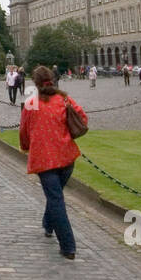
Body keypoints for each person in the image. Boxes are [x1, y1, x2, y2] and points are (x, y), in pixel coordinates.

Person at [19, 65, 87, 261]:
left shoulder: (32, 103)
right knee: (55, 195)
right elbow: (82, 118)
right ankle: (48, 224)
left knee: (56, 199)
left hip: (45, 159)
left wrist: (25, 146)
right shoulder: (64, 99)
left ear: (36, 83)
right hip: (67, 156)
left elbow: (24, 130)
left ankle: (68, 246)